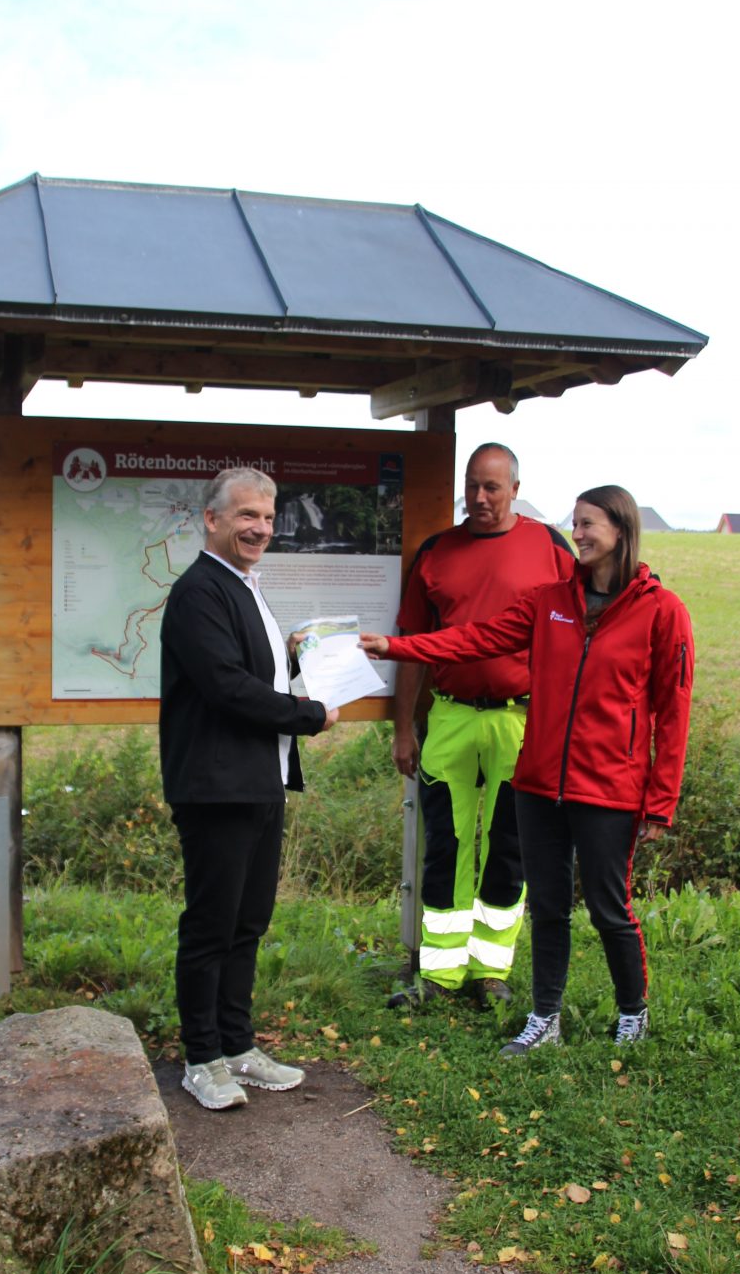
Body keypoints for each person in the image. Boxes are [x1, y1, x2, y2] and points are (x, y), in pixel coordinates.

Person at [362, 485, 693, 1052]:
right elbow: (478, 638)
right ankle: (545, 1017)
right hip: (538, 782)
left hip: (609, 788)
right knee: (547, 907)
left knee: (611, 910)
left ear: (621, 529)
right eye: (577, 524)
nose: (579, 534)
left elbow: (674, 712)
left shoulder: (663, 611)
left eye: (588, 525)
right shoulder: (550, 601)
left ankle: (632, 1013)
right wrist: (396, 647)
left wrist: (659, 801)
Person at [160, 467, 339, 1111]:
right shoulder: (198, 592)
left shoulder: (242, 586)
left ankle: (237, 1045)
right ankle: (202, 1057)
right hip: (215, 787)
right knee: (212, 926)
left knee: (247, 922)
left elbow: (256, 669)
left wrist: (303, 657)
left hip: (258, 780)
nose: (260, 528)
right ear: (212, 520)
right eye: (246, 516)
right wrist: (308, 715)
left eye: (266, 517)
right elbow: (227, 687)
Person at [388, 443, 574, 1009]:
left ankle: (492, 970)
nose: (479, 498)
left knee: (511, 845)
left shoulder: (549, 547)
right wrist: (403, 729)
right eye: (471, 486)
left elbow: (577, 636)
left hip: (522, 720)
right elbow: (413, 648)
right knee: (444, 842)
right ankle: (440, 974)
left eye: (492, 487)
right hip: (449, 716)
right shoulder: (437, 552)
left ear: (515, 488)